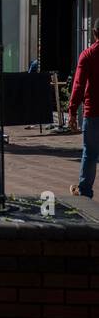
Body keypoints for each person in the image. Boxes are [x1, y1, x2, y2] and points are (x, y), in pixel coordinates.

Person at [69, 21, 99, 197]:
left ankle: (85, 192)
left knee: (90, 152)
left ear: (94, 33)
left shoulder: (87, 55)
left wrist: (72, 111)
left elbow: (79, 85)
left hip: (93, 111)